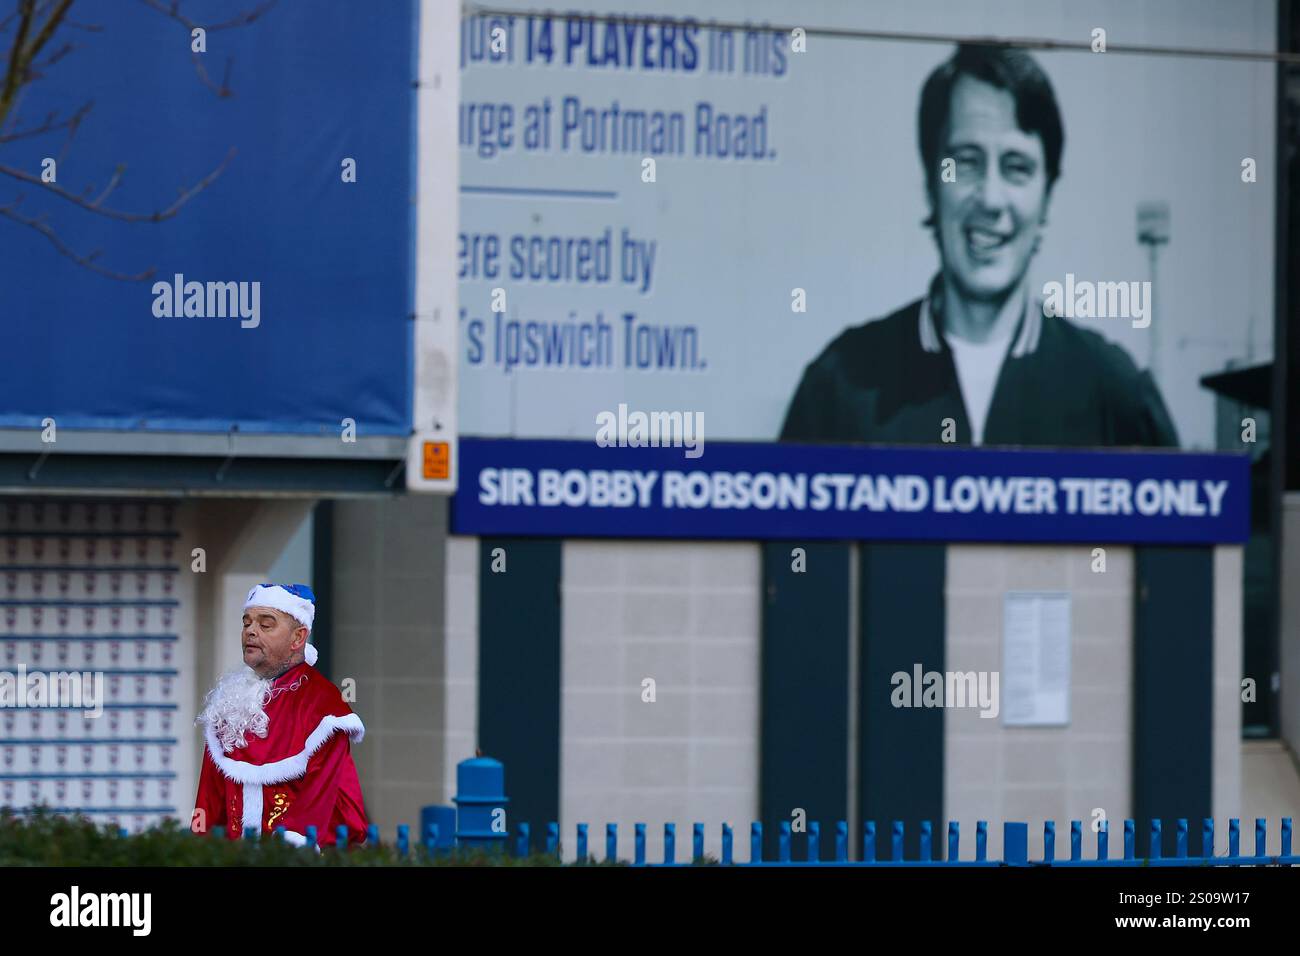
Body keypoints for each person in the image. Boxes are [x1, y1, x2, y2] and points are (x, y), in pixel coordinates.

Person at [780, 43, 1177, 448]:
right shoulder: (841, 386)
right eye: (965, 162)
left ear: (1047, 198)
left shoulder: (1114, 395)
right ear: (931, 186)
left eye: (1017, 168)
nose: (990, 199)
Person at [192, 583, 368, 847]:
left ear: (298, 638)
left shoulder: (322, 705)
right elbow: (210, 797)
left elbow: (319, 801)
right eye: (247, 622)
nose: (250, 631)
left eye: (266, 624)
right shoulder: (228, 701)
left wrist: (285, 851)